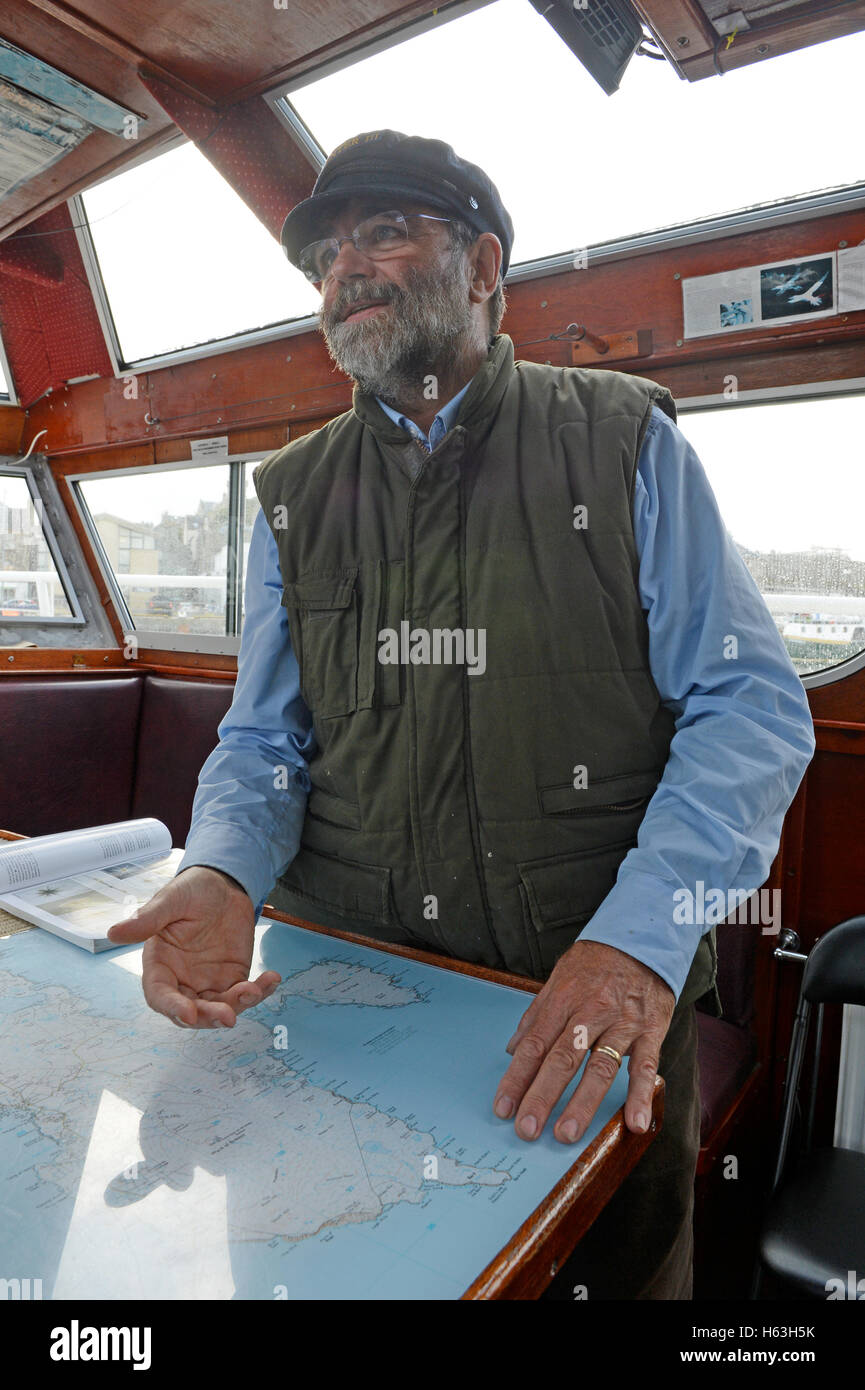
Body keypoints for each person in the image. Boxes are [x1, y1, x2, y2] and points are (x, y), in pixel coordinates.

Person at [109, 129, 815, 1299]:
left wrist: (638, 944)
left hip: (580, 1010)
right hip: (345, 994)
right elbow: (266, 739)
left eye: (384, 232)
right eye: (326, 255)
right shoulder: (290, 499)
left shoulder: (623, 442)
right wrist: (224, 871)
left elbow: (748, 708)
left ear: (484, 267)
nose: (346, 269)